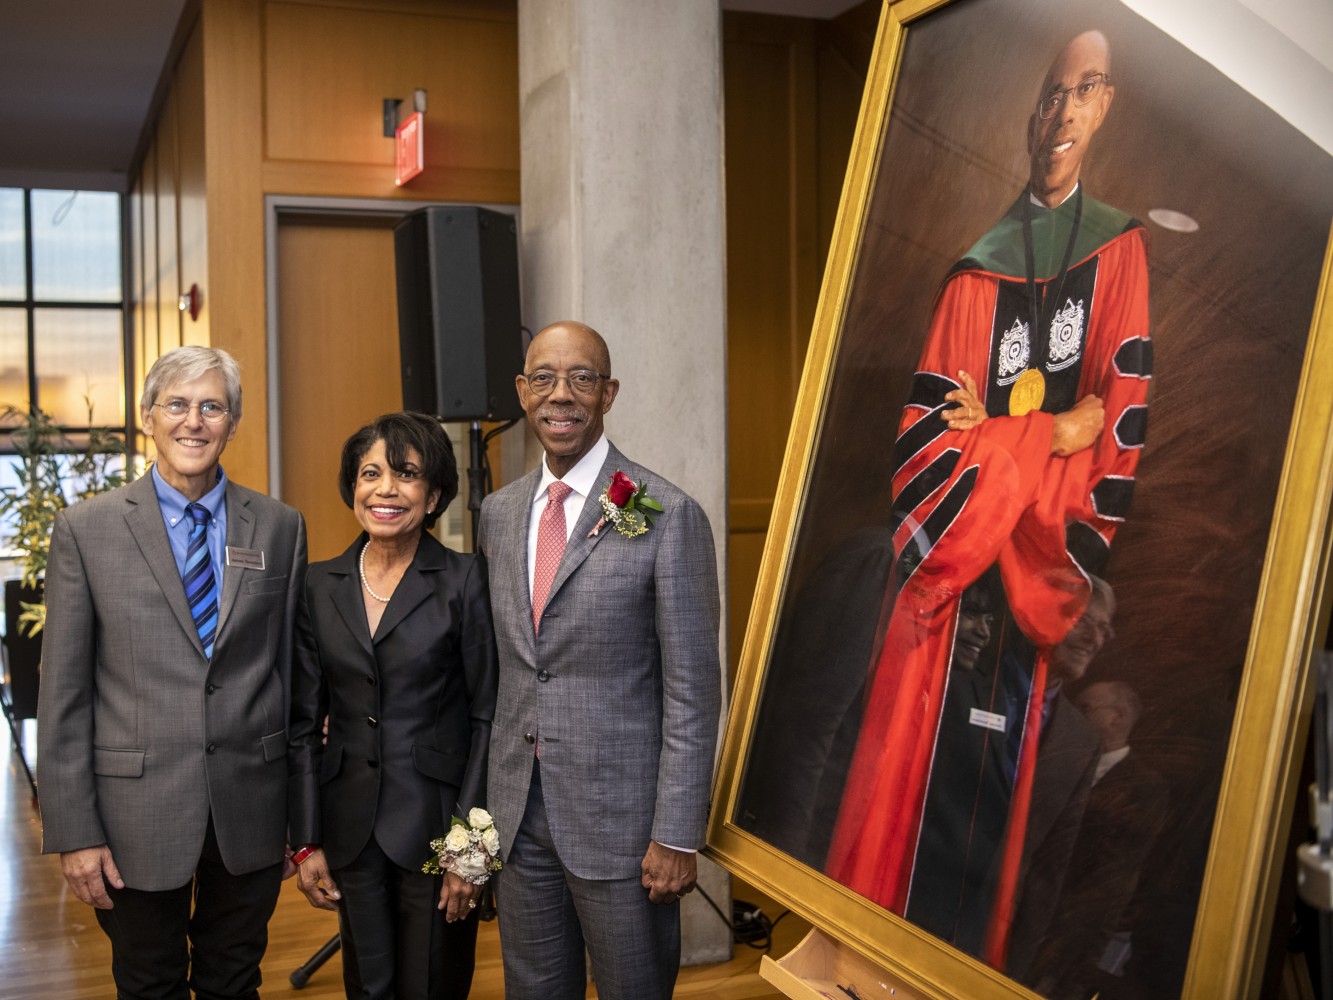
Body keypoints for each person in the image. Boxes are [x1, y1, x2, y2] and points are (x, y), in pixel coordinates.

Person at [826, 29, 1152, 971]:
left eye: (1081, 92)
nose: (1060, 112)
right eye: (1049, 93)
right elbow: (926, 454)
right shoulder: (974, 272)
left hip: (1029, 592)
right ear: (1029, 111)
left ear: (1105, 106)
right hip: (946, 614)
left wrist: (1000, 450)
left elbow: (1119, 422)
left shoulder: (1120, 255)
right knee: (915, 817)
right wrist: (1047, 435)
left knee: (988, 846)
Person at [36, 346, 307, 999]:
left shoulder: (278, 527)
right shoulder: (86, 530)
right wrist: (74, 833)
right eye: (178, 405)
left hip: (249, 806)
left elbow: (293, 681)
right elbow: (63, 694)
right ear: (148, 417)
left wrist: (302, 821)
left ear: (233, 421)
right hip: (133, 815)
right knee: (148, 982)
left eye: (212, 406)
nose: (195, 421)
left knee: (235, 978)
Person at [478, 320, 722, 1000]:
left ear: (607, 393)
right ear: (523, 392)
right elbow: (509, 670)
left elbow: (693, 692)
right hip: (521, 816)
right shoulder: (497, 515)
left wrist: (677, 833)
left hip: (625, 828)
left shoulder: (666, 514)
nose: (562, 396)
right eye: (545, 379)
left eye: (581, 378)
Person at [287, 412, 498, 1000]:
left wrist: (471, 853)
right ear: (352, 487)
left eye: (406, 474)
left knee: (435, 984)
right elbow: (303, 725)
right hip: (348, 827)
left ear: (433, 496)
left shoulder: (464, 580)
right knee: (368, 986)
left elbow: (489, 718)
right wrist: (305, 842)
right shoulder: (317, 585)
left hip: (438, 831)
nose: (385, 489)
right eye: (370, 473)